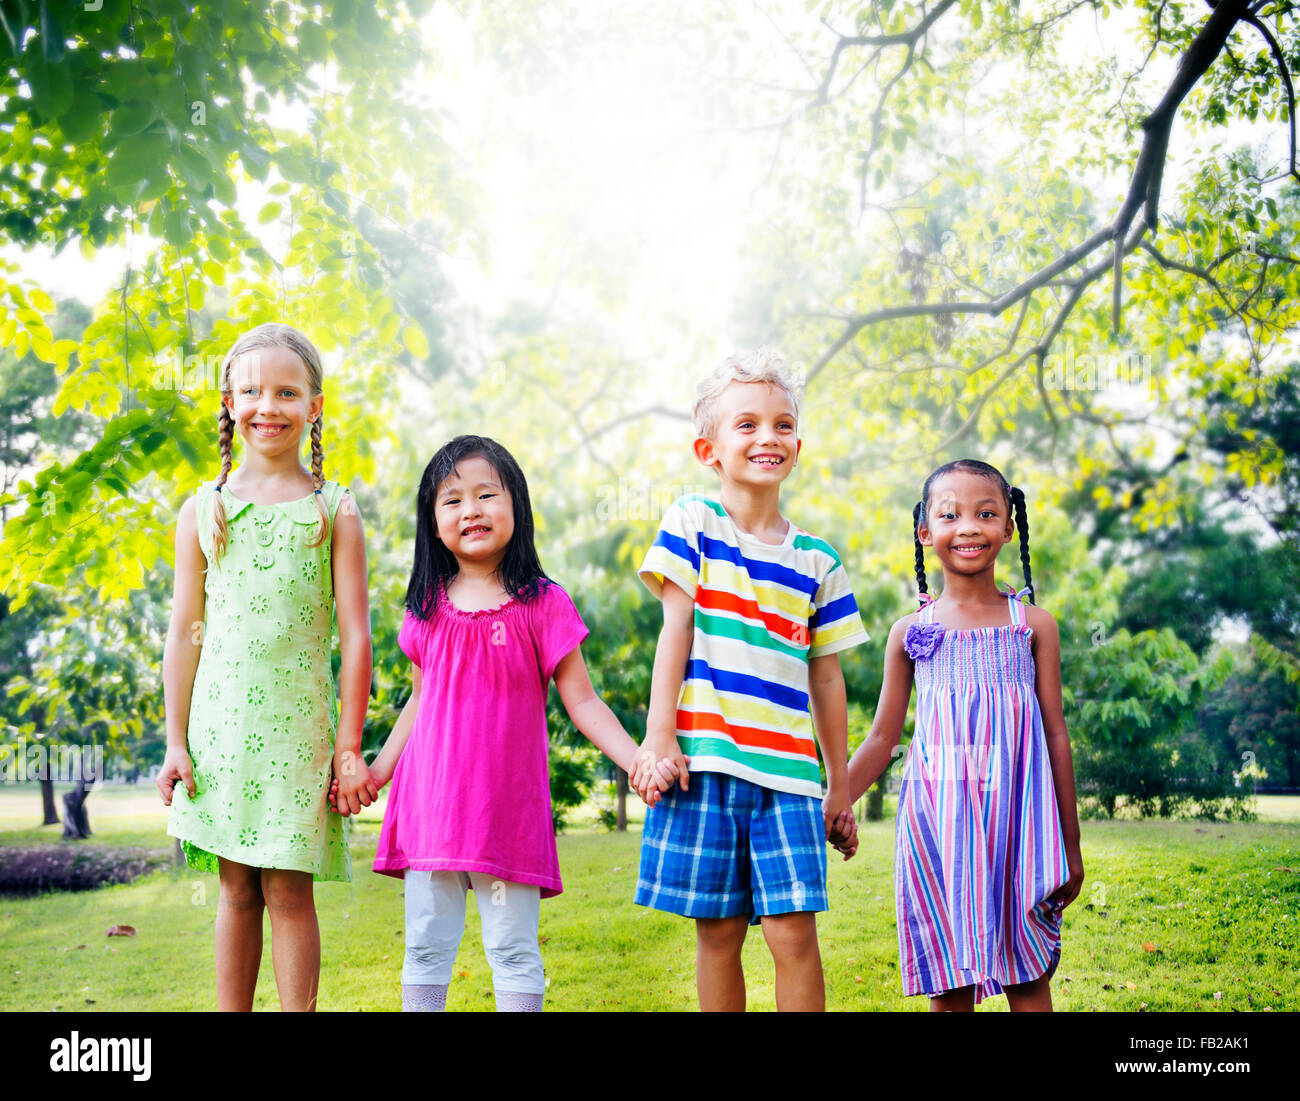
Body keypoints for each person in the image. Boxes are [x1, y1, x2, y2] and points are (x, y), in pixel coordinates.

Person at [336, 434, 674, 1013]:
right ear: (433, 521)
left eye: (487, 494)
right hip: (431, 813)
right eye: (452, 500)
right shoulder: (426, 610)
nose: (471, 510)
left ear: (516, 504)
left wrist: (638, 757)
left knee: (514, 950)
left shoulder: (543, 604)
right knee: (425, 947)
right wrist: (377, 769)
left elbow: (584, 702)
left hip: (506, 815)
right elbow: (420, 702)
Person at [631, 350, 869, 1012]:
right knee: (720, 935)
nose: (769, 437)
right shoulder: (692, 523)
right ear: (709, 448)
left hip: (790, 780)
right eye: (748, 424)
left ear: (797, 442)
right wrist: (658, 737)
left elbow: (827, 677)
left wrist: (839, 785)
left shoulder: (819, 560)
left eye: (783, 424)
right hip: (705, 765)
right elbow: (674, 629)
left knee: (795, 936)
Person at [157, 321, 377, 1011]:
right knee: (237, 887)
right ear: (228, 400)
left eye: (286, 391)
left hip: (297, 737)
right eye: (251, 390)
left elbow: (356, 637)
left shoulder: (331, 511)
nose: (267, 406)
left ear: (314, 405)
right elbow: (184, 635)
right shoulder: (203, 510)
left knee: (287, 887)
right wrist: (173, 740)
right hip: (220, 736)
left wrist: (347, 747)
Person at [840, 459, 1085, 1011]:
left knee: (1028, 971)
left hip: (1022, 823)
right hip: (940, 826)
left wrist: (1069, 844)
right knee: (949, 981)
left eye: (985, 513)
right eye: (950, 514)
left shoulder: (1033, 626)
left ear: (1008, 528)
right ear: (926, 532)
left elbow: (1055, 733)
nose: (968, 526)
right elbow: (883, 737)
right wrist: (836, 800)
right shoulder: (911, 633)